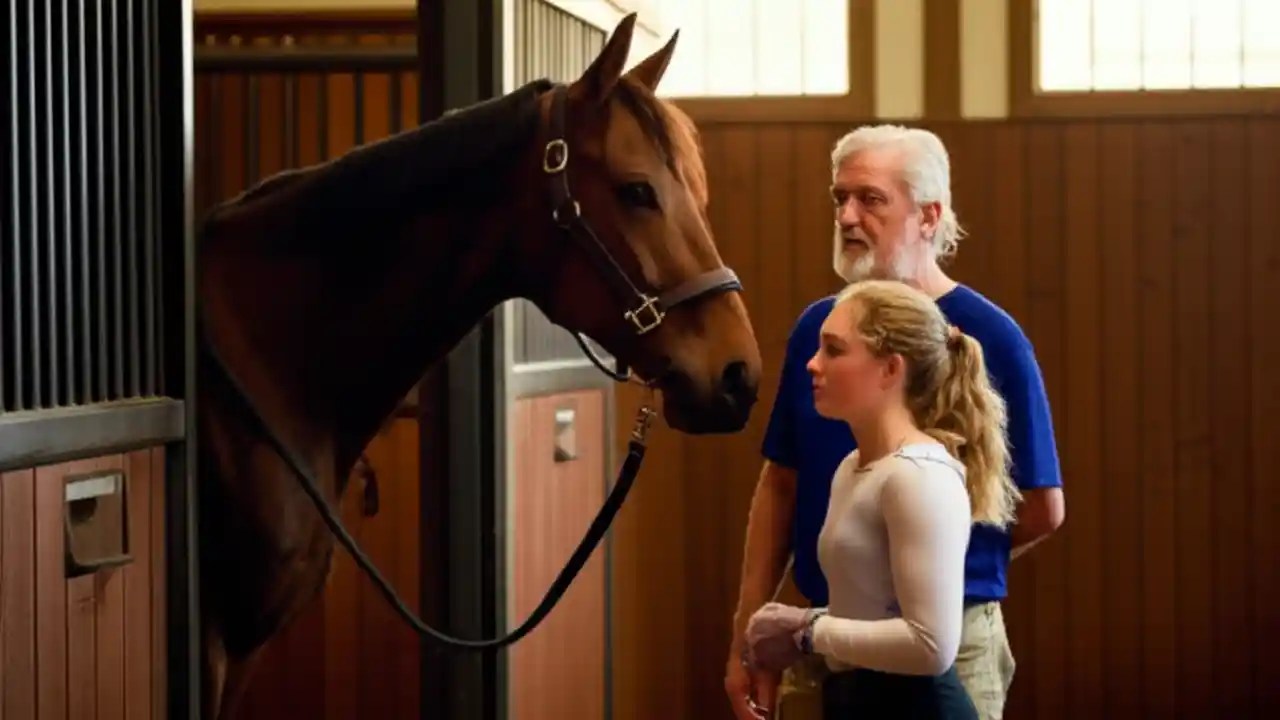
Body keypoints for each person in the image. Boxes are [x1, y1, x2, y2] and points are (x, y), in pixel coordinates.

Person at [724, 124, 1065, 720]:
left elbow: (1041, 505)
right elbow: (782, 484)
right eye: (839, 198)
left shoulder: (992, 337)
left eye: (871, 198)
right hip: (820, 631)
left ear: (929, 216)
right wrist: (748, 636)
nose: (849, 216)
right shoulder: (818, 329)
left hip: (948, 641)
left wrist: (919, 565)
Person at [743, 279, 1021, 718]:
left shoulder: (918, 476)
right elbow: (868, 608)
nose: (812, 365)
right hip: (857, 699)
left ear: (891, 370)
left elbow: (931, 646)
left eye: (834, 350)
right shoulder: (853, 467)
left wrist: (807, 630)